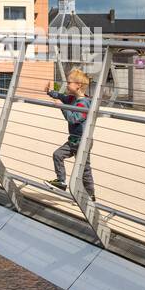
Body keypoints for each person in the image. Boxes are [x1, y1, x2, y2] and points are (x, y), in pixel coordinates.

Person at [46, 68, 96, 201]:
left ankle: (90, 195)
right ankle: (61, 182)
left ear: (78, 85)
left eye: (69, 83)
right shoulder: (72, 98)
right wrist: (50, 92)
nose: (67, 85)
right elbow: (61, 97)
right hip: (73, 140)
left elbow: (74, 118)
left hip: (82, 142)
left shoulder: (83, 103)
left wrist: (62, 106)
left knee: (84, 170)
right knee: (58, 155)